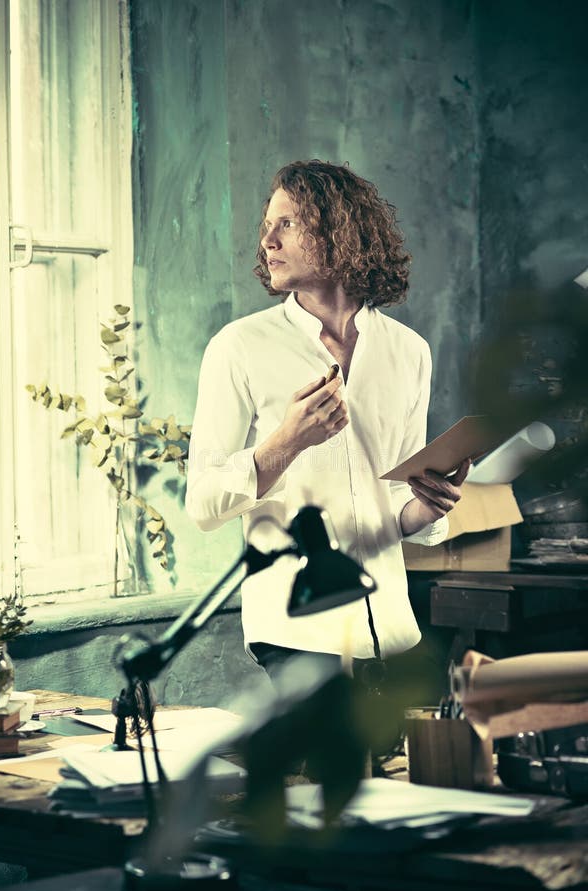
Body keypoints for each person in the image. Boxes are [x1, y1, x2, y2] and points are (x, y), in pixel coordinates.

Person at [186, 160, 469, 730]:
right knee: (330, 786)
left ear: (341, 233)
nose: (268, 240)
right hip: (294, 622)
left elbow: (388, 507)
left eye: (288, 224)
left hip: (387, 622)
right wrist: (287, 442)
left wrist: (427, 506)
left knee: (398, 796)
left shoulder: (409, 352)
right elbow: (204, 505)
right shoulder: (238, 347)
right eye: (269, 225)